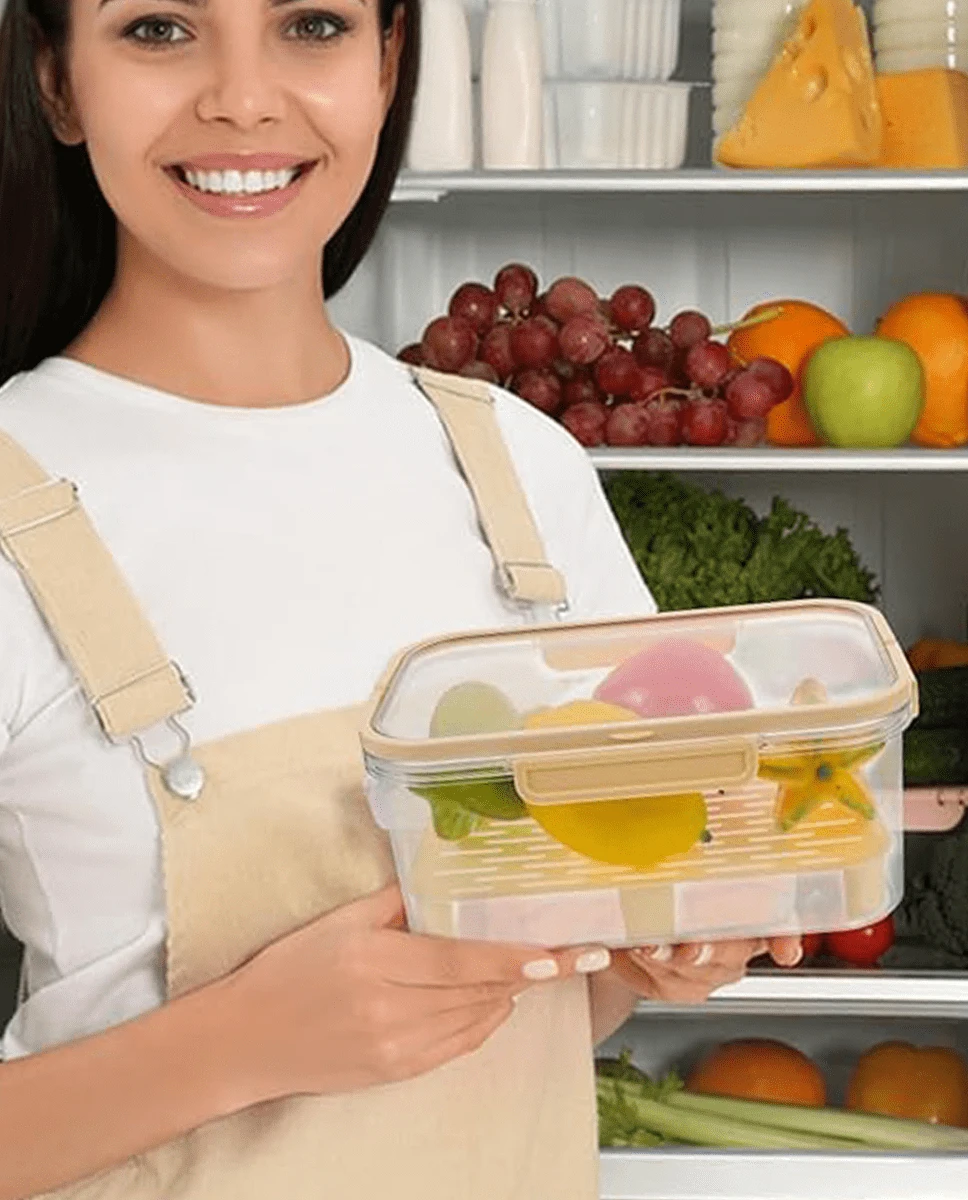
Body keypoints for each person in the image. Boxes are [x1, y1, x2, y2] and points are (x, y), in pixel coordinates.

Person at [0, 0, 805, 1197]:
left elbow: (554, 1012)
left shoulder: (520, 470)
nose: (243, 98)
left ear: (386, 66)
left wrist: (659, 949)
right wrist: (238, 1044)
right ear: (57, 82)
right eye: (159, 29)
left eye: (312, 25)